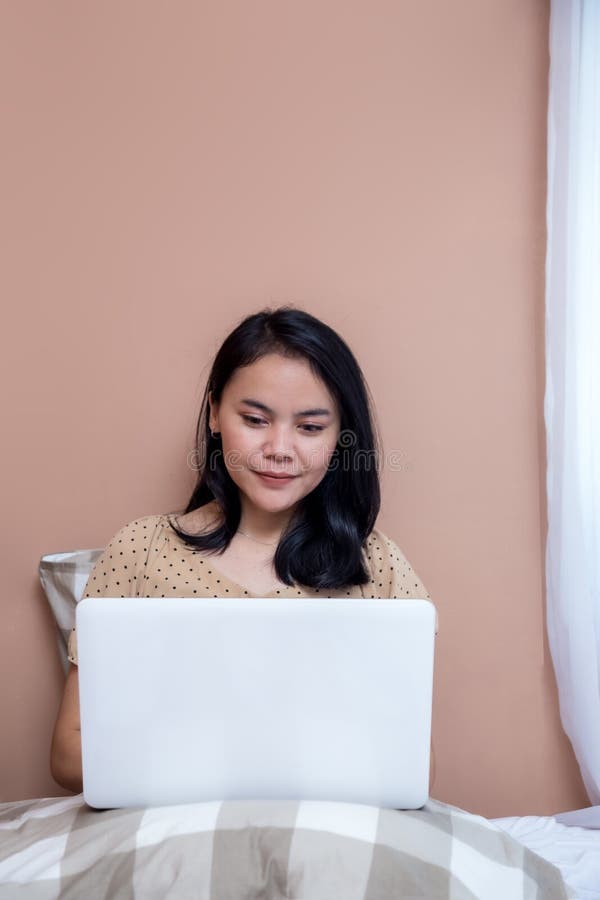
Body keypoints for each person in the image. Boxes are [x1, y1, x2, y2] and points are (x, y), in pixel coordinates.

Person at [50, 306, 430, 793]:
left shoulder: (378, 565)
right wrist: (230, 757)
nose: (279, 448)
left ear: (340, 438)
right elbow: (67, 755)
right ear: (214, 412)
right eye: (255, 419)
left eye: (311, 428)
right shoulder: (140, 550)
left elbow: (415, 763)